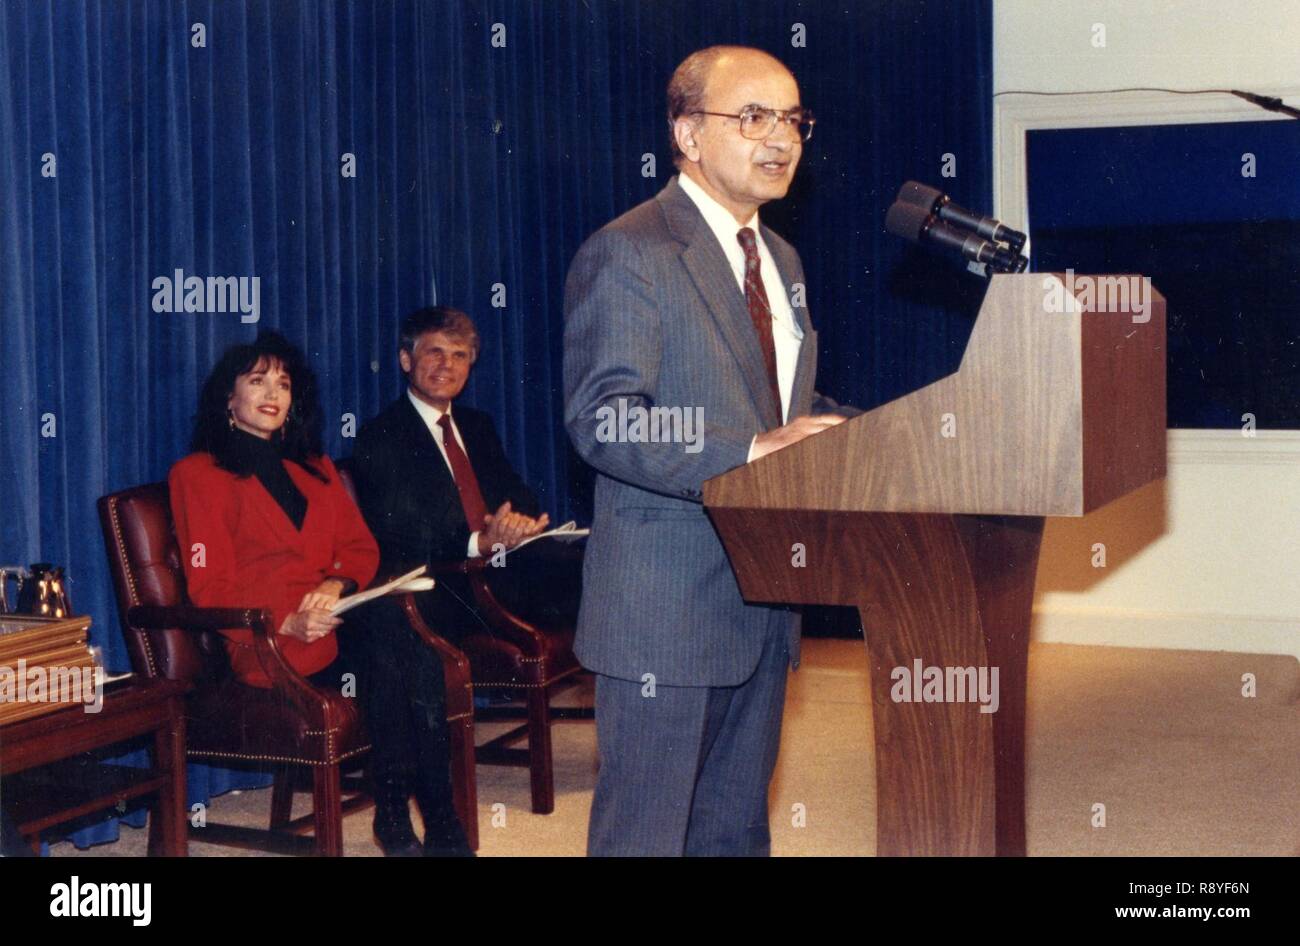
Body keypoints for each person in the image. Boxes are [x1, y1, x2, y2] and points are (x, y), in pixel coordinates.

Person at [563, 45, 855, 856]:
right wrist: (756, 448)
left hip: (764, 595)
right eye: (753, 116)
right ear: (689, 134)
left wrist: (871, 432)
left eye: (794, 119)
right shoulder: (631, 251)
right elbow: (606, 420)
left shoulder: (781, 259)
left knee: (732, 832)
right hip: (666, 609)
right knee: (648, 837)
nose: (782, 138)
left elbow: (780, 404)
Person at [168, 330, 471, 856]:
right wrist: (286, 620)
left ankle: (428, 822)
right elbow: (209, 583)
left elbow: (360, 548)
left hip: (339, 621)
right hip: (270, 640)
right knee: (393, 658)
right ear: (228, 399)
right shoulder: (198, 475)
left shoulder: (316, 469)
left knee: (410, 650)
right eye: (257, 380)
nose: (273, 393)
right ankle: (403, 825)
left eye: (283, 384)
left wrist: (336, 583)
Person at [349, 306, 559, 644]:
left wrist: (518, 523)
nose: (448, 365)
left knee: (584, 570)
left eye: (459, 355)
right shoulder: (380, 436)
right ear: (406, 360)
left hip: (502, 569)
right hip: (443, 586)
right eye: (436, 352)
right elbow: (403, 532)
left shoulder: (478, 425)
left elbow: (517, 495)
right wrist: (480, 543)